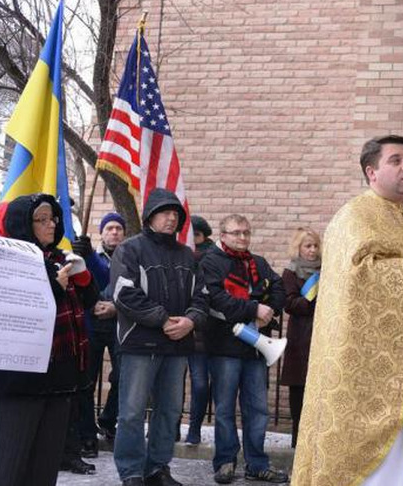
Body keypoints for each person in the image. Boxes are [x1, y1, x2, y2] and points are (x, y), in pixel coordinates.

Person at [291, 135, 403, 485]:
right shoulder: (353, 218)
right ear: (371, 171)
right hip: (375, 372)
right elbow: (353, 278)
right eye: (396, 160)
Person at [0, 194, 98, 486]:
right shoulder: (10, 258)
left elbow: (90, 304)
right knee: (11, 463)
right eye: (41, 220)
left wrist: (85, 277)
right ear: (23, 224)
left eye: (53, 218)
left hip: (59, 376)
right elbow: (14, 313)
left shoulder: (61, 258)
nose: (51, 225)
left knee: (45, 466)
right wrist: (53, 289)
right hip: (21, 378)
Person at [112, 188, 209, 486]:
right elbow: (124, 293)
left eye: (176, 214)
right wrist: (164, 320)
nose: (171, 218)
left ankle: (157, 468)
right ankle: (130, 471)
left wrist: (190, 321)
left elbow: (202, 298)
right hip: (140, 344)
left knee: (168, 411)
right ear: (150, 216)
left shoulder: (187, 256)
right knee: (131, 411)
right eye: (165, 213)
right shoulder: (130, 250)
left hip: (177, 345)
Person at [199, 214, 287, 484]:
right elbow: (217, 299)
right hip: (224, 346)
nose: (242, 238)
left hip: (255, 349)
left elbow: (279, 286)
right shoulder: (210, 262)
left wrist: (269, 310)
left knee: (258, 409)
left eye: (246, 233)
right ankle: (225, 462)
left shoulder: (257, 262)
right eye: (236, 233)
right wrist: (253, 308)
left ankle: (257, 464)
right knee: (225, 408)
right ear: (223, 235)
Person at [71, 211, 126, 446]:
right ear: (101, 233)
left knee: (122, 376)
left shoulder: (130, 258)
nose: (114, 232)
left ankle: (108, 421)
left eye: (118, 229)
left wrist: (116, 307)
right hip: (91, 324)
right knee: (87, 378)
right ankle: (86, 431)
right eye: (109, 228)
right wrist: (91, 305)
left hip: (119, 325)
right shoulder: (87, 255)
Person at [279, 227, 322, 448]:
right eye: (308, 246)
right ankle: (298, 438)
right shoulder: (291, 272)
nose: (313, 250)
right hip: (300, 338)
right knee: (300, 390)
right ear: (298, 248)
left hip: (322, 335)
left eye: (315, 245)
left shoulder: (327, 270)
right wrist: (313, 297)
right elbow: (290, 303)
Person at [185, 214, 214, 446]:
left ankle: (194, 428)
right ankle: (171, 427)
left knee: (200, 383)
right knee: (168, 385)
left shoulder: (211, 260)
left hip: (201, 334)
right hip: (173, 329)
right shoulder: (177, 256)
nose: (192, 241)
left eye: (196, 235)